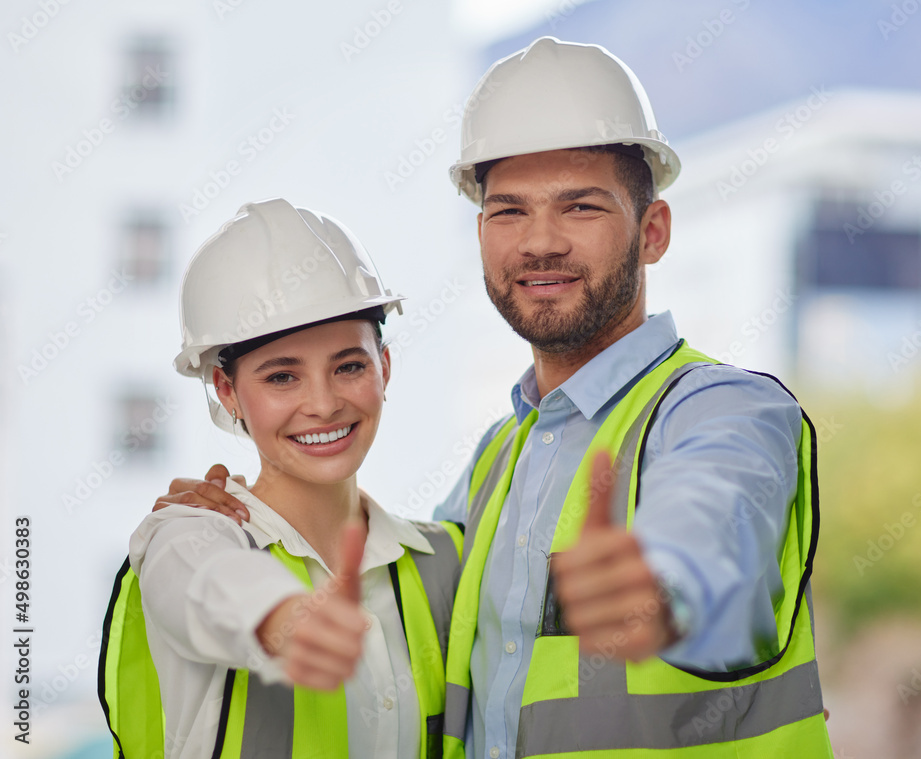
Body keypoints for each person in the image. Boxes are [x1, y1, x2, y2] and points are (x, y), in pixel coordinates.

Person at [155, 37, 835, 757]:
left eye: (580, 206)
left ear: (654, 232)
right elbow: (409, 583)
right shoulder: (498, 462)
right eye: (509, 211)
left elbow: (716, 524)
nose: (540, 242)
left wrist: (665, 579)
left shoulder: (725, 409)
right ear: (480, 233)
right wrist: (221, 526)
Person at [99, 198, 462, 759]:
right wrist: (276, 615)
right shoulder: (192, 535)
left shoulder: (442, 561)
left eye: (349, 366)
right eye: (282, 376)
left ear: (384, 368)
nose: (322, 404)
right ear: (226, 391)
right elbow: (204, 585)